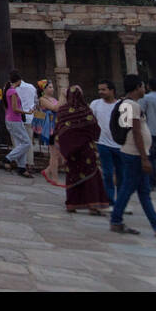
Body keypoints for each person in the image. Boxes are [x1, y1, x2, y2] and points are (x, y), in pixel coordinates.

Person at [110, 74, 156, 237]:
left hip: (132, 152)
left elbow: (127, 130)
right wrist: (144, 158)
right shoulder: (132, 105)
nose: (144, 89)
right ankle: (116, 220)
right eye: (142, 86)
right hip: (135, 154)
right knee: (128, 189)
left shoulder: (127, 104)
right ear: (137, 87)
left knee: (143, 191)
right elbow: (136, 132)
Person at [55, 86, 110, 216]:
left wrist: (64, 147)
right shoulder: (85, 110)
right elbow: (95, 129)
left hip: (71, 152)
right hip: (86, 150)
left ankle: (72, 204)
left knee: (72, 175)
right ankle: (93, 205)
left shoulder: (62, 111)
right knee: (91, 176)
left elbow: (59, 130)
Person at [91, 81, 123, 205]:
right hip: (102, 143)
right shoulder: (96, 104)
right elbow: (91, 121)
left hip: (119, 145)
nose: (100, 92)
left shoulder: (121, 105)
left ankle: (121, 200)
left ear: (112, 90)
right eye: (99, 89)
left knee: (121, 174)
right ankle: (109, 199)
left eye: (103, 89)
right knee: (107, 173)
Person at [2, 71, 35, 178]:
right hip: (15, 120)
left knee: (21, 143)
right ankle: (8, 158)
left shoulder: (8, 90)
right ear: (19, 80)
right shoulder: (13, 92)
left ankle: (21, 167)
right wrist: (27, 112)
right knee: (26, 143)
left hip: (11, 119)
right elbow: (15, 108)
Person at [35, 80, 65, 186]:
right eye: (50, 87)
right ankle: (55, 178)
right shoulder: (42, 99)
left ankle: (47, 171)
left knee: (62, 158)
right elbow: (55, 108)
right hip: (50, 128)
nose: (52, 89)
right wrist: (62, 96)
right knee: (54, 154)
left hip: (58, 127)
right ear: (44, 89)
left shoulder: (53, 99)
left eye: (52, 87)